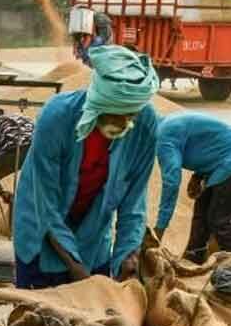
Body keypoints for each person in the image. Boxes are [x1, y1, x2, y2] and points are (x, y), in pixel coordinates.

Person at [13, 45, 160, 290]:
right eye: (116, 113)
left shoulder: (145, 124)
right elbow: (46, 204)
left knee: (95, 322)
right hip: (41, 231)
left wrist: (127, 256)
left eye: (131, 114)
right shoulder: (57, 117)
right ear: (99, 101)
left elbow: (135, 200)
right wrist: (79, 274)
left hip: (93, 236)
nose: (124, 124)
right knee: (40, 318)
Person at [154, 112, 231, 264]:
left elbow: (171, 182)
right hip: (228, 158)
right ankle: (193, 258)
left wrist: (159, 228)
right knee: (201, 213)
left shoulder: (164, 137)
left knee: (218, 219)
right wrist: (198, 175)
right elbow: (209, 147)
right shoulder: (168, 124)